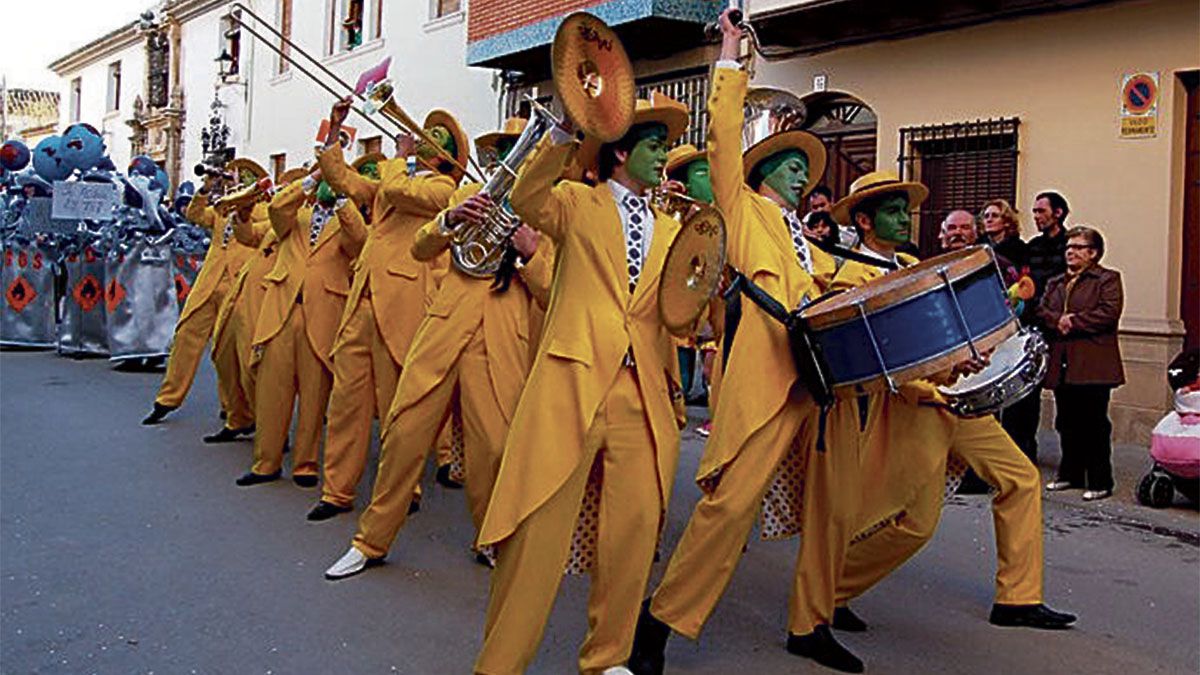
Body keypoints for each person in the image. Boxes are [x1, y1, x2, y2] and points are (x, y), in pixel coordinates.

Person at [631, 11, 859, 673]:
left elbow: (833, 277)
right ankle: (660, 620)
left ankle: (809, 623)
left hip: (816, 380)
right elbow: (725, 135)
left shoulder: (798, 233)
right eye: (788, 165)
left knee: (831, 508)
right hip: (763, 379)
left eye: (802, 169)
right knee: (729, 509)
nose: (799, 176)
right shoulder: (740, 205)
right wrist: (731, 57)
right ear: (760, 173)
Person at [471, 92, 690, 675]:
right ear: (620, 154)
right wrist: (564, 131)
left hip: (642, 391)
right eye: (655, 145)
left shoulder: (674, 229)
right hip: (571, 379)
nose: (664, 155)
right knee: (538, 532)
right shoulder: (575, 200)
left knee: (636, 530)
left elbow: (679, 315)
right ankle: (500, 664)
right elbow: (525, 197)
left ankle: (607, 657)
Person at [824, 172, 1076, 658]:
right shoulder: (849, 278)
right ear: (863, 220)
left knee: (1020, 478)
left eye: (905, 209)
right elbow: (874, 362)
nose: (905, 218)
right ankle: (826, 590)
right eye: (893, 210)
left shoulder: (914, 265)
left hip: (960, 398)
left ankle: (1018, 599)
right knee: (913, 524)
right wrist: (934, 378)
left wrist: (975, 354)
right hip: (910, 409)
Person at [321, 118, 553, 572]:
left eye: (522, 151)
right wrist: (448, 221)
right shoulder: (466, 196)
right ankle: (370, 541)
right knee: (404, 435)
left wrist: (530, 252)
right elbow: (422, 248)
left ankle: (492, 537)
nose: (512, 159)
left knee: (496, 447)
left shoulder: (547, 215)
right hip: (444, 327)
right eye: (505, 152)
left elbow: (553, 289)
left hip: (500, 335)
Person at [304, 98, 464, 514]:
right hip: (363, 300)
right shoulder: (398, 177)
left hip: (404, 303)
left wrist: (401, 158)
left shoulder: (443, 188)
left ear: (447, 156)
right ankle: (336, 492)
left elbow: (398, 190)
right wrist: (334, 132)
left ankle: (402, 492)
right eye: (426, 133)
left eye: (437, 137)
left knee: (398, 409)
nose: (426, 138)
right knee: (346, 403)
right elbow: (344, 181)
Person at [234, 169, 366, 487]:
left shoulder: (349, 219)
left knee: (314, 395)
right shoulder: (295, 218)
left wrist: (341, 198)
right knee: (271, 391)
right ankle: (266, 462)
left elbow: (359, 242)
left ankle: (305, 464)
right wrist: (310, 179)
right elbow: (278, 207)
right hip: (282, 311)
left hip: (322, 316)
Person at [142, 159, 270, 438]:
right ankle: (167, 399)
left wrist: (248, 203)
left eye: (243, 178)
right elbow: (195, 214)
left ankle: (242, 412)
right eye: (235, 177)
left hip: (239, 286)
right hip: (209, 283)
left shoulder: (264, 211)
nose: (235, 182)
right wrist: (207, 187)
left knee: (232, 352)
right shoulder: (223, 209)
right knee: (186, 335)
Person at [1039, 226, 1124, 501]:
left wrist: (1071, 321)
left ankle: (1100, 479)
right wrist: (1057, 321)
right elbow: (1043, 309)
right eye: (1068, 248)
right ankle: (1070, 474)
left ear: (1093, 253)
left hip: (1093, 362)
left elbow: (1108, 313)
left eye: (1077, 247)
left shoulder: (1107, 279)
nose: (1070, 252)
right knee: (1066, 420)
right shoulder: (1056, 282)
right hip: (1063, 361)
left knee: (1094, 423)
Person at [981, 198, 1027, 269]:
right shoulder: (979, 247)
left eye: (995, 216)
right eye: (986, 216)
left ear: (1007, 222)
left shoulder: (1019, 249)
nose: (989, 220)